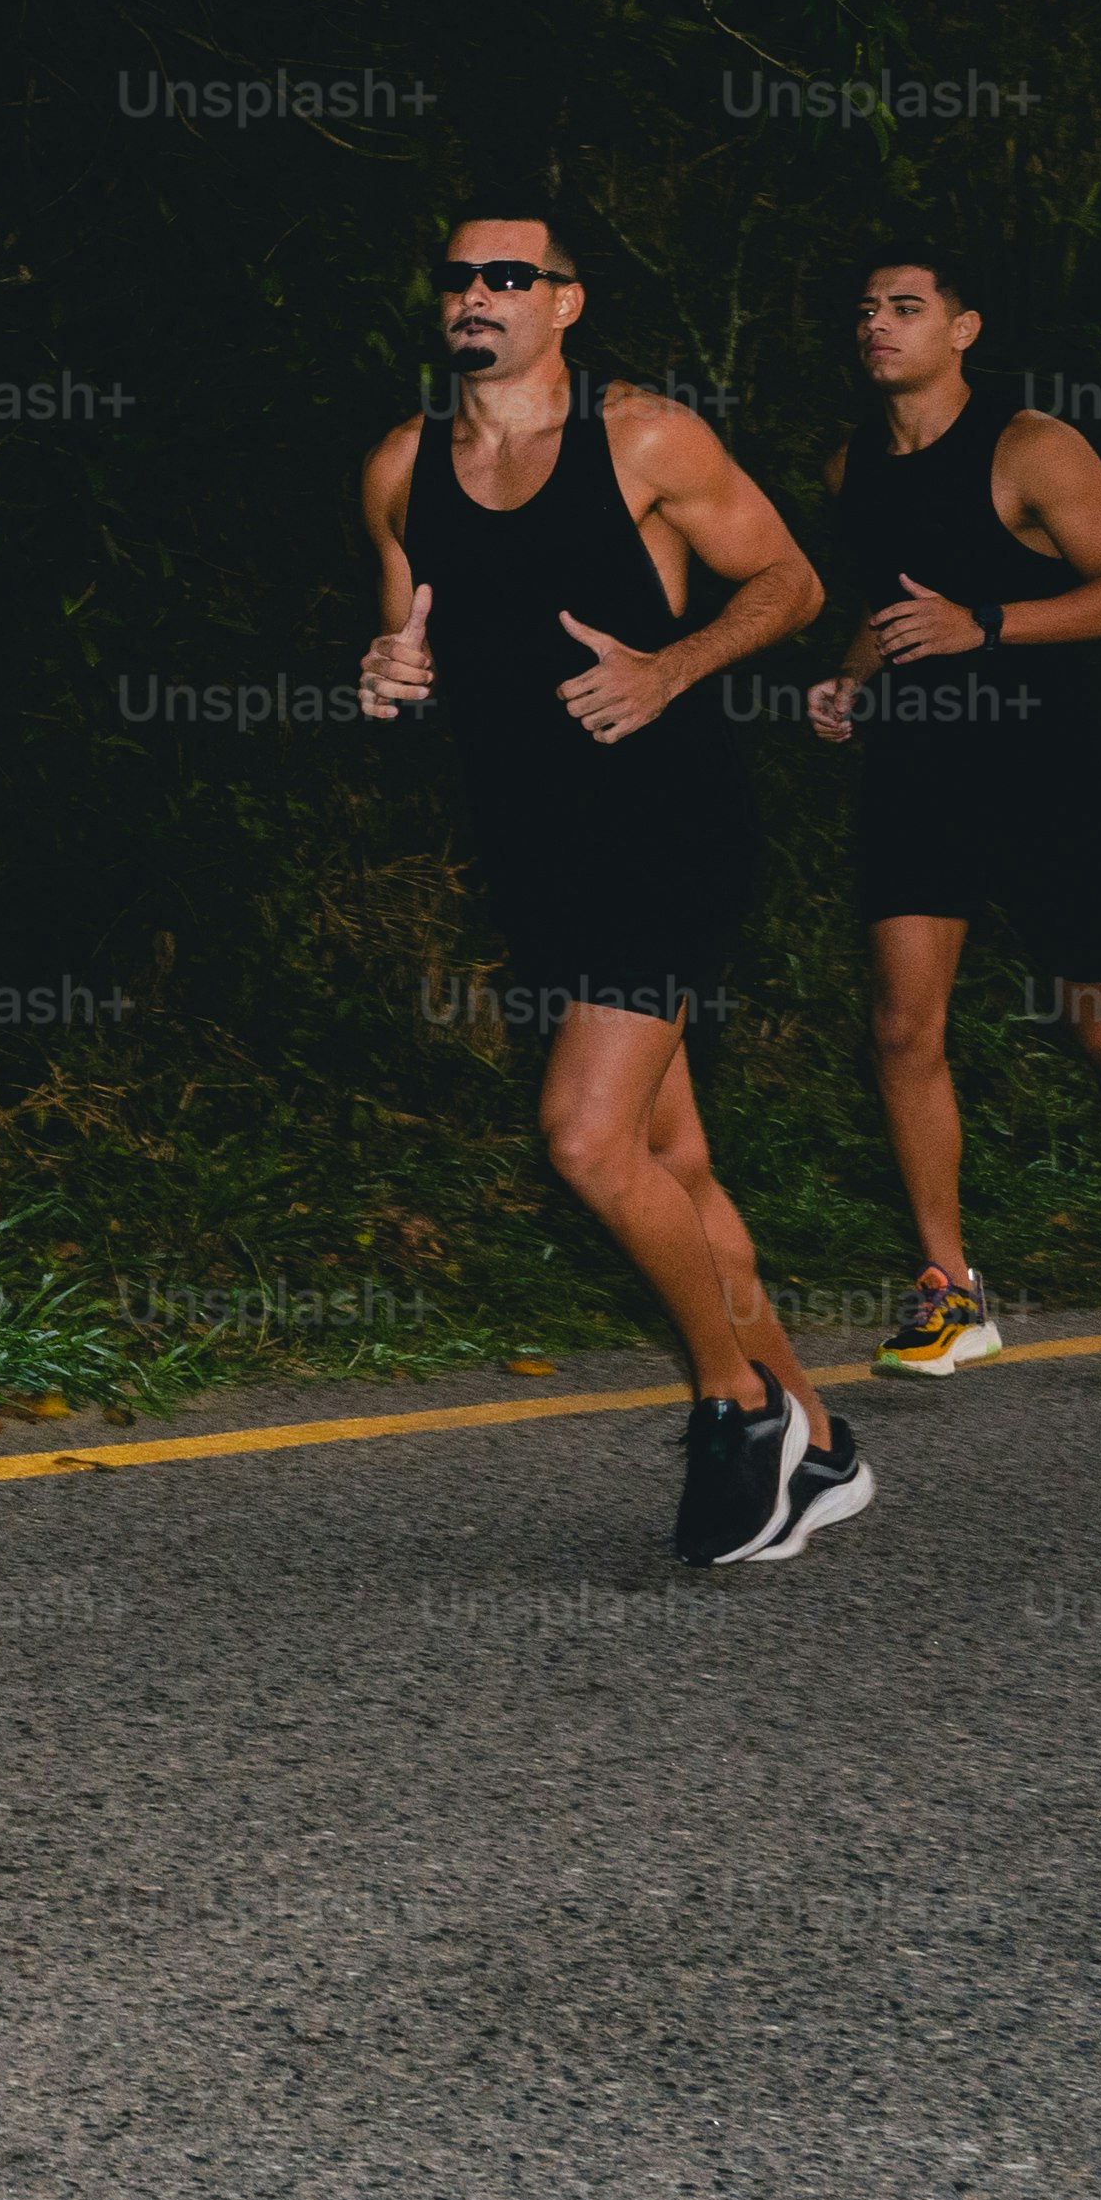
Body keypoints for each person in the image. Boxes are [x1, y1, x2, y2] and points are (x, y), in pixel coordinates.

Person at [352, 207, 875, 1566]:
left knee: (585, 1139)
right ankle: (822, 1444)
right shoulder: (402, 466)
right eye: (457, 276)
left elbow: (790, 582)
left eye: (507, 275)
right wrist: (390, 674)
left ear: (565, 302)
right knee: (671, 1160)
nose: (475, 294)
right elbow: (411, 641)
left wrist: (669, 666)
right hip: (533, 847)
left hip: (667, 823)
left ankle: (736, 1403)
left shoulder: (643, 438)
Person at [803, 243, 1101, 1389]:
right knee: (899, 1028)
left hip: (1045, 770)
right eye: (865, 308)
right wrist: (849, 679)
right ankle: (948, 1287)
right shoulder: (851, 466)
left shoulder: (1031, 448)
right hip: (917, 771)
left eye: (904, 306)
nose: (877, 324)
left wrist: (984, 625)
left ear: (961, 329)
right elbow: (891, 601)